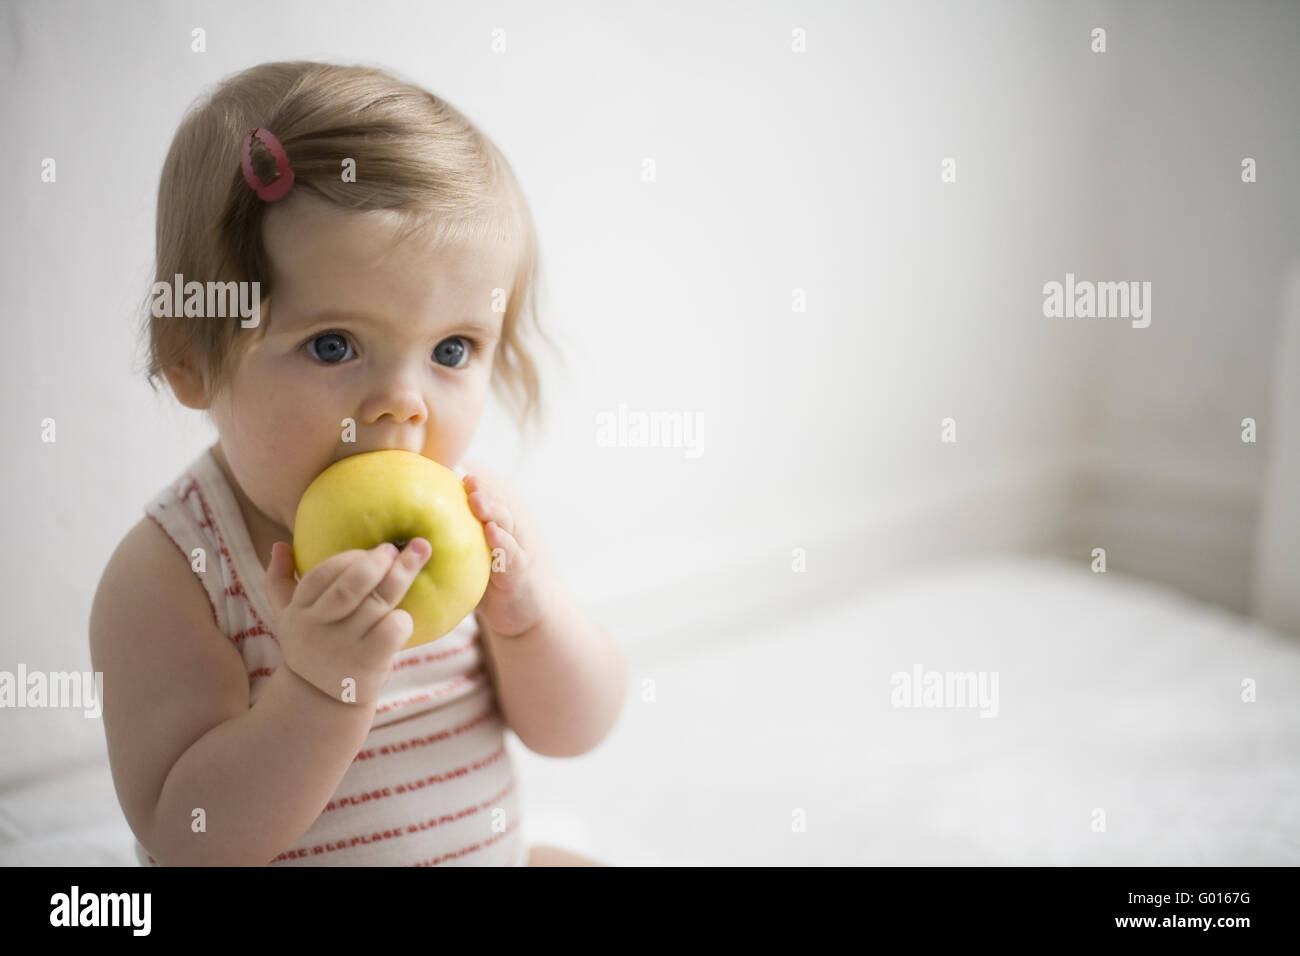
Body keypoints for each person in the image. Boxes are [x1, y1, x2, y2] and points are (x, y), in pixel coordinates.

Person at [89, 60, 625, 867]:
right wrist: (318, 688)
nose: (403, 404)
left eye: (452, 350)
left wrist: (532, 622)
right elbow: (186, 835)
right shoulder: (176, 573)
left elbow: (576, 730)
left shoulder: (476, 524)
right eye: (333, 345)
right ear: (190, 355)